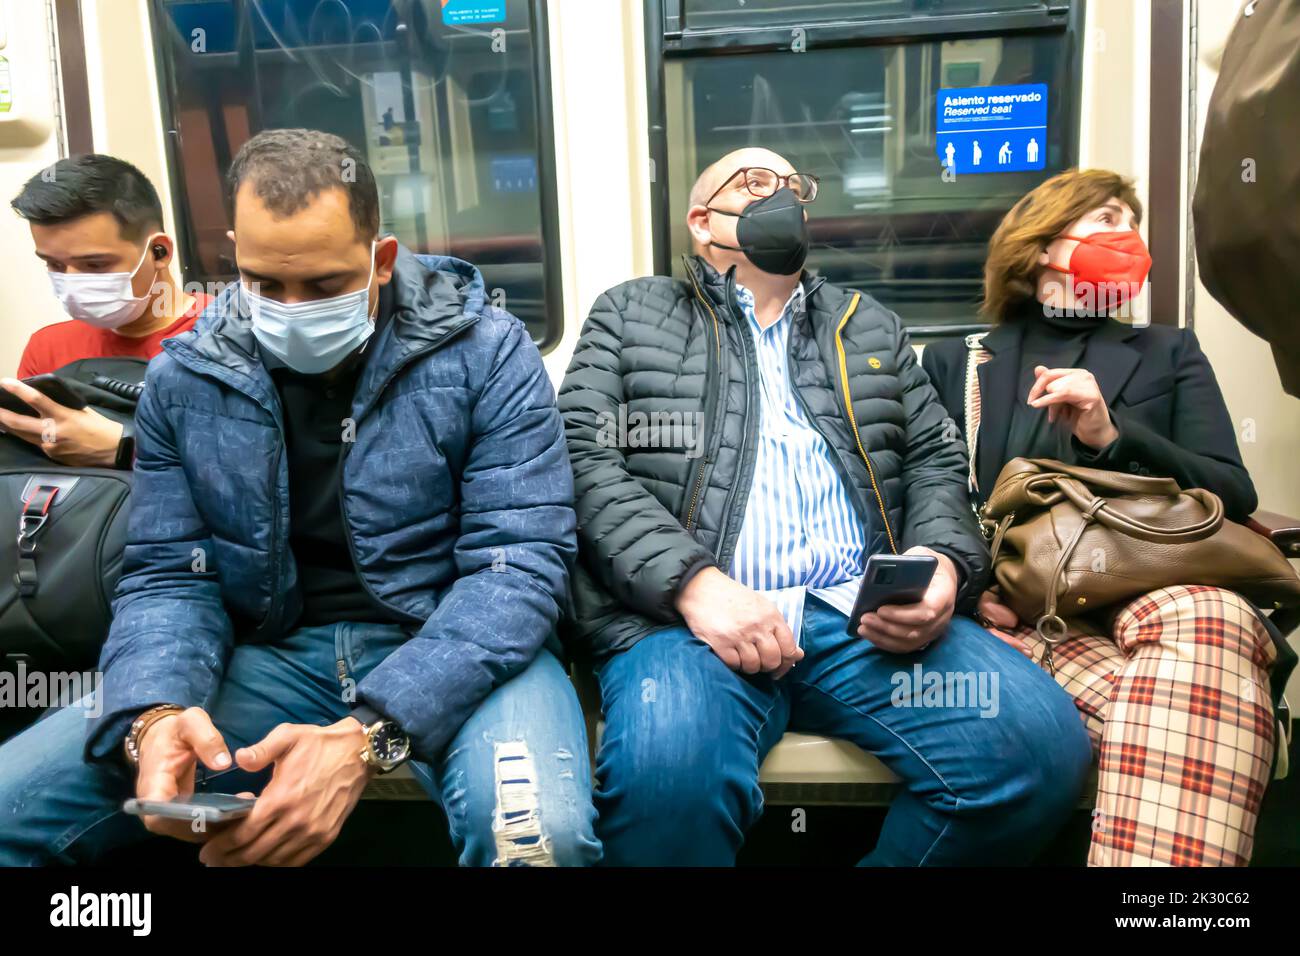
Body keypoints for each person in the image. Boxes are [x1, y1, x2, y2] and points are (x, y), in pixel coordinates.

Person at [0, 128, 599, 868]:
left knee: (538, 841)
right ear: (232, 259)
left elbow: (517, 567)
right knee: (9, 807)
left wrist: (369, 733)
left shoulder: (488, 353)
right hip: (269, 648)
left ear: (381, 262)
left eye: (322, 286)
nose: (290, 307)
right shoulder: (185, 377)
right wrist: (152, 714)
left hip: (455, 642)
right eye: (262, 283)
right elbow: (167, 574)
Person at [559, 147, 1092, 866]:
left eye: (793, 187)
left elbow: (934, 459)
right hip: (685, 624)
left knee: (1037, 749)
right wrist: (695, 585)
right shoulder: (631, 313)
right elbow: (584, 459)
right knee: (666, 783)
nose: (781, 197)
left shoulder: (867, 325)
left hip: (856, 616)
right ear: (700, 221)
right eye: (753, 184)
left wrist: (942, 564)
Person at [922, 167, 1282, 866]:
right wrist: (970, 591)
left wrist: (1110, 435)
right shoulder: (958, 361)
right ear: (1042, 245)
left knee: (1212, 617)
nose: (1128, 236)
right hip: (1023, 616)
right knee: (1199, 706)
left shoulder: (1168, 352)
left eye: (1132, 222)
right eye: (1107, 218)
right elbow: (927, 493)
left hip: (1157, 588)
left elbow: (1229, 492)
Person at [7, 154, 209, 467]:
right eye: (55, 264)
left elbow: (261, 472)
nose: (71, 281)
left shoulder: (231, 333)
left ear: (159, 252)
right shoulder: (48, 348)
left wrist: (124, 448)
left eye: (95, 265)